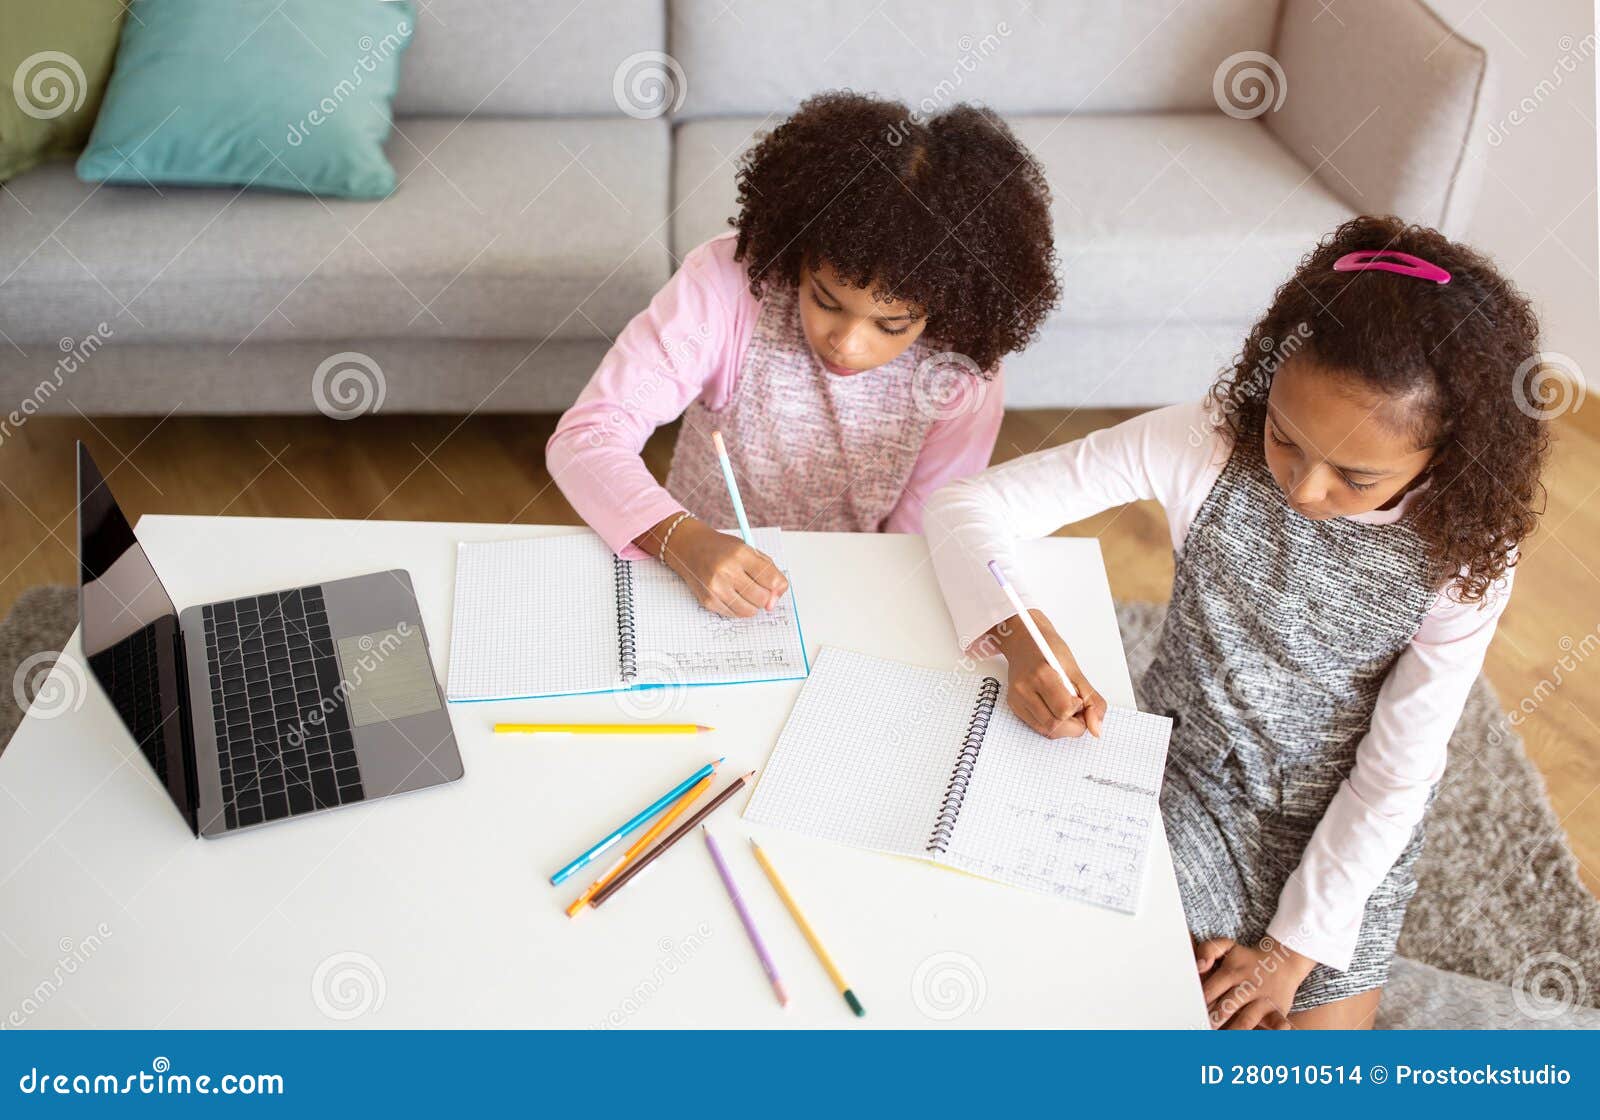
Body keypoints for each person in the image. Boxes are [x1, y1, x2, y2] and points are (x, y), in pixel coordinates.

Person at [925, 215, 1550, 1028]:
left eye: (1355, 477)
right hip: (1192, 780)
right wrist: (1019, 639)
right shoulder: (1208, 442)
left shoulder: (1464, 558)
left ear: (1447, 454)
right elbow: (967, 506)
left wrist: (1291, 954)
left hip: (1346, 823)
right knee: (1118, 1012)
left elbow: (1396, 775)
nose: (1305, 487)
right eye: (1285, 438)